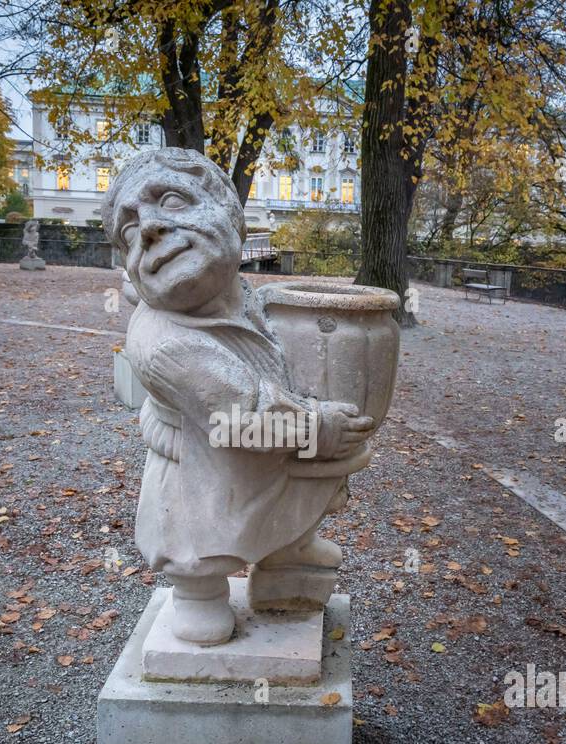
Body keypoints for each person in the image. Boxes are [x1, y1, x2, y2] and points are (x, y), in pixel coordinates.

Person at [99, 148, 373, 645]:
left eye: (174, 201)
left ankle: (287, 555)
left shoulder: (241, 292)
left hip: (268, 453)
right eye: (129, 232)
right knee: (199, 539)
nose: (150, 229)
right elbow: (242, 416)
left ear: (229, 213)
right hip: (206, 463)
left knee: (301, 484)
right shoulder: (165, 342)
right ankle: (198, 593)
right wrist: (321, 428)